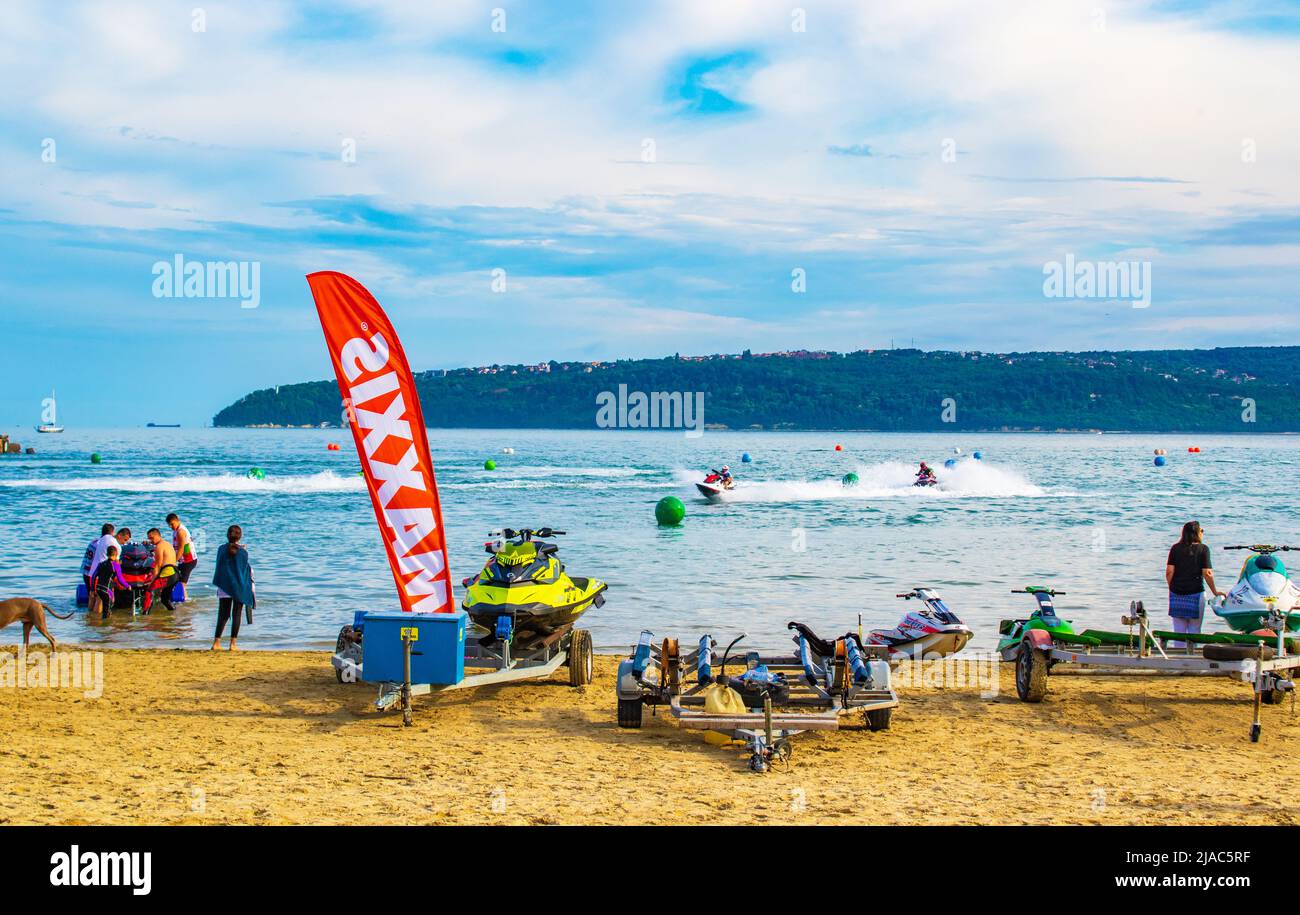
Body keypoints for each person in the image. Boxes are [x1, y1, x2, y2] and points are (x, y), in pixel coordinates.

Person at [1166, 520, 1226, 648]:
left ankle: (1178, 657)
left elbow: (1169, 572)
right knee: (1195, 628)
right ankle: (1192, 656)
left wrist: (1172, 588)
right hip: (1196, 592)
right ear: (1197, 533)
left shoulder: (1175, 548)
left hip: (1176, 593)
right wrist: (1215, 592)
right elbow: (1207, 573)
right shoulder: (1203, 549)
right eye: (1201, 531)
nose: (1202, 533)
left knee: (1178, 630)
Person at [211, 524, 255, 651]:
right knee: (236, 615)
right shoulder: (243, 552)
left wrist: (240, 548)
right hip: (238, 587)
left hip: (224, 585)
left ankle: (216, 643)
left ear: (227, 535)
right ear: (240, 536)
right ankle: (233, 644)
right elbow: (244, 569)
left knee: (223, 615)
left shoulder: (220, 549)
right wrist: (242, 549)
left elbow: (224, 561)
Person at [82, 523, 116, 617]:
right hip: (94, 572)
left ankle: (89, 616)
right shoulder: (103, 543)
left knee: (91, 595)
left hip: (86, 571)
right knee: (99, 598)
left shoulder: (94, 541)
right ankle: (96, 620)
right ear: (111, 532)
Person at [91, 545, 131, 619]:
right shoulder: (116, 565)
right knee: (108, 609)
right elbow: (120, 579)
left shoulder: (101, 564)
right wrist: (127, 586)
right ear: (116, 554)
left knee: (106, 607)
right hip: (107, 590)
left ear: (107, 554)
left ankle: (102, 624)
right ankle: (105, 627)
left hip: (99, 588)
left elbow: (94, 576)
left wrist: (93, 589)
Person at [146, 528, 179, 614]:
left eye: (152, 538)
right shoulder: (167, 544)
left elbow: (157, 566)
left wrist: (151, 582)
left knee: (149, 591)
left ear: (158, 535)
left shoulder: (159, 547)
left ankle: (145, 615)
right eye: (149, 538)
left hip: (168, 574)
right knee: (165, 599)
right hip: (175, 574)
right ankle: (173, 616)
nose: (150, 540)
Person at [167, 513, 198, 587]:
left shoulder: (180, 531)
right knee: (178, 582)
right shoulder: (176, 530)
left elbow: (181, 549)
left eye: (172, 524)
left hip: (188, 560)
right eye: (169, 525)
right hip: (183, 560)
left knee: (181, 584)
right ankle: (182, 597)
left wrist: (173, 562)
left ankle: (184, 598)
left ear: (177, 520)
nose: (171, 526)